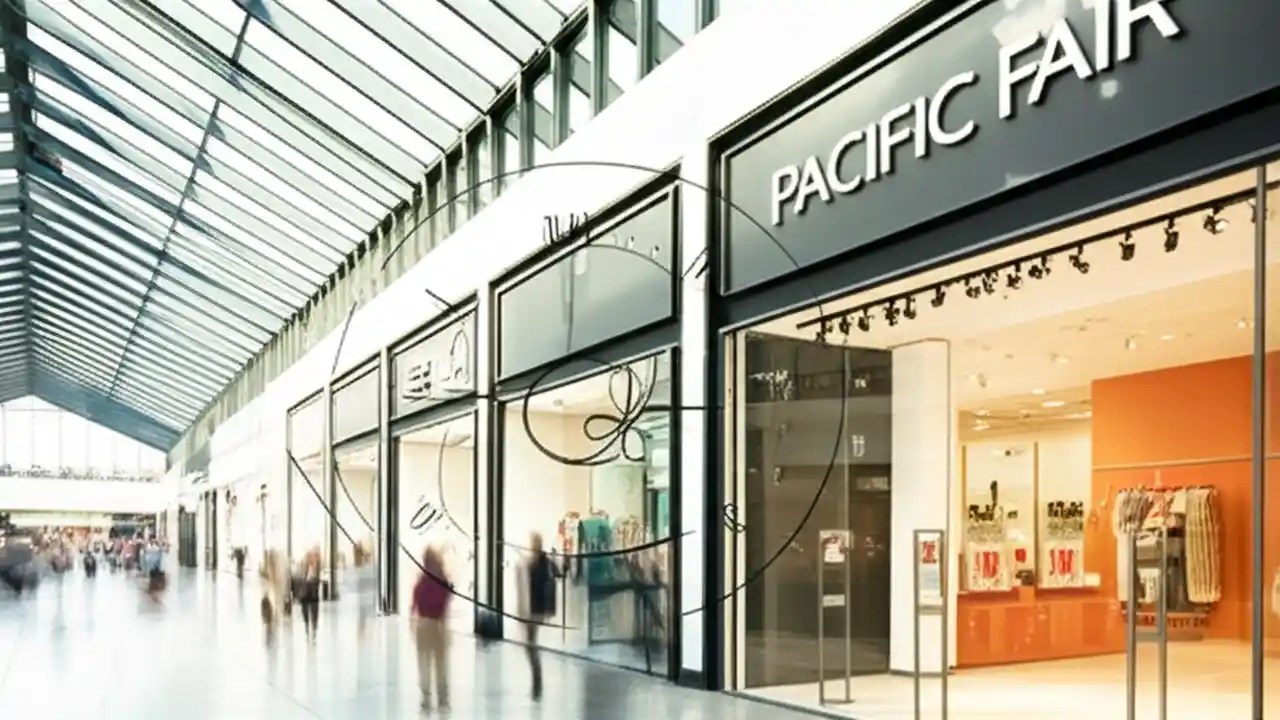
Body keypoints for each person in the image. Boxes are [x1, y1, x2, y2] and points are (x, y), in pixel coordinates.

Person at [412, 545, 451, 711]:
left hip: (424, 623)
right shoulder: (441, 578)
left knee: (424, 662)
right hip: (439, 624)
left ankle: (426, 698)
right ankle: (442, 698)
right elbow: (447, 596)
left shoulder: (422, 580)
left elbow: (415, 601)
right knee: (441, 663)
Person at [521, 532, 560, 700]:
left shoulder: (542, 562)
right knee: (530, 644)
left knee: (530, 644)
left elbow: (555, 575)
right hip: (533, 607)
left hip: (537, 608)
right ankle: (537, 680)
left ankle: (537, 681)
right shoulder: (535, 561)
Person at [296, 547, 322, 642]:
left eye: (313, 556)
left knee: (314, 612)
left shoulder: (316, 567)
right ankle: (307, 628)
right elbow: (300, 579)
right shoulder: (304, 567)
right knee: (305, 612)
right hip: (305, 593)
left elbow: (316, 579)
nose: (311, 558)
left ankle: (314, 629)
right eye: (309, 556)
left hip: (313, 593)